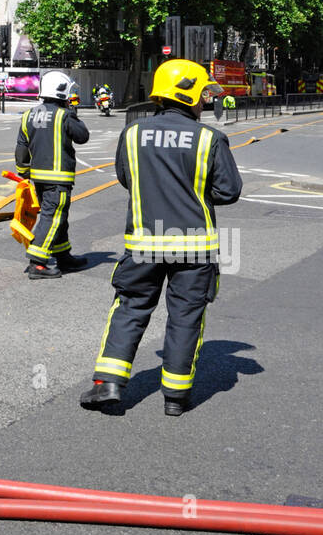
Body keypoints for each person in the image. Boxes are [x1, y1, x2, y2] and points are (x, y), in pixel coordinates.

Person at [79, 58, 243, 417]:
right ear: (190, 96)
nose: (204, 102)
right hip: (195, 249)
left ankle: (107, 384)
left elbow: (127, 177)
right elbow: (229, 191)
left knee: (130, 309)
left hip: (143, 244)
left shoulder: (133, 134)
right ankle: (176, 397)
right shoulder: (210, 138)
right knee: (186, 317)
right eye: (202, 95)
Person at [14, 70, 90, 279]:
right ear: (62, 91)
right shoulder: (64, 115)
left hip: (38, 178)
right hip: (59, 179)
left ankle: (63, 255)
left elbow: (21, 147)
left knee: (59, 217)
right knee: (52, 217)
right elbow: (83, 136)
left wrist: (23, 171)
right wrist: (73, 111)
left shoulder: (28, 115)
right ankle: (37, 263)